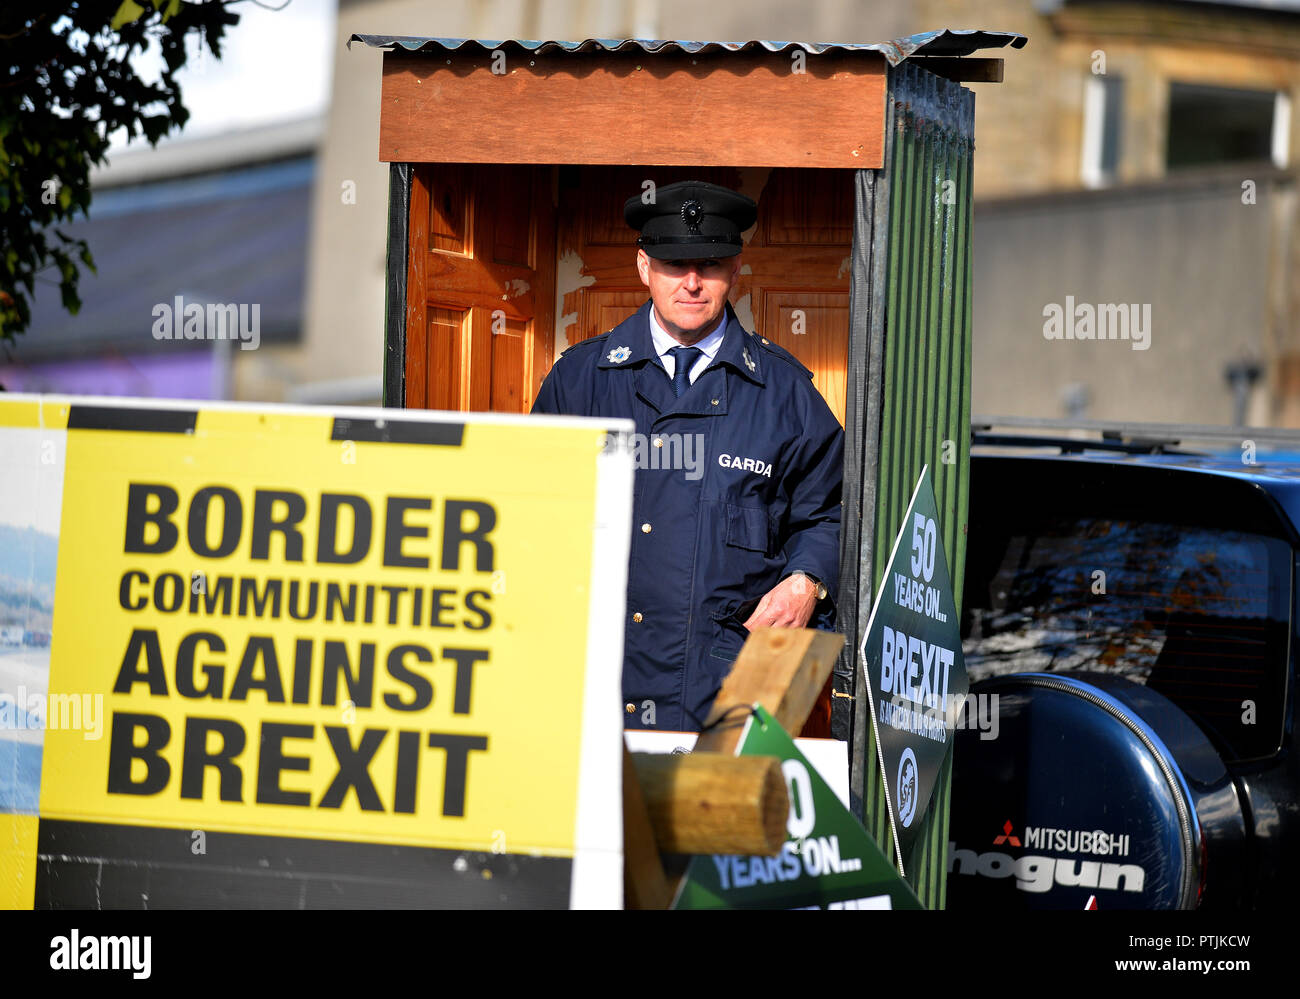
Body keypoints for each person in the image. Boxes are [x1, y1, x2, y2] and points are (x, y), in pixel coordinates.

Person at [532, 180, 844, 731]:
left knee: (719, 819)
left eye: (711, 264)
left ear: (736, 269)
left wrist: (807, 581)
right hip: (594, 684)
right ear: (643, 267)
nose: (693, 283)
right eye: (675, 264)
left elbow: (830, 511)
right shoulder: (580, 381)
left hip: (737, 690)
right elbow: (531, 511)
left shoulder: (786, 393)